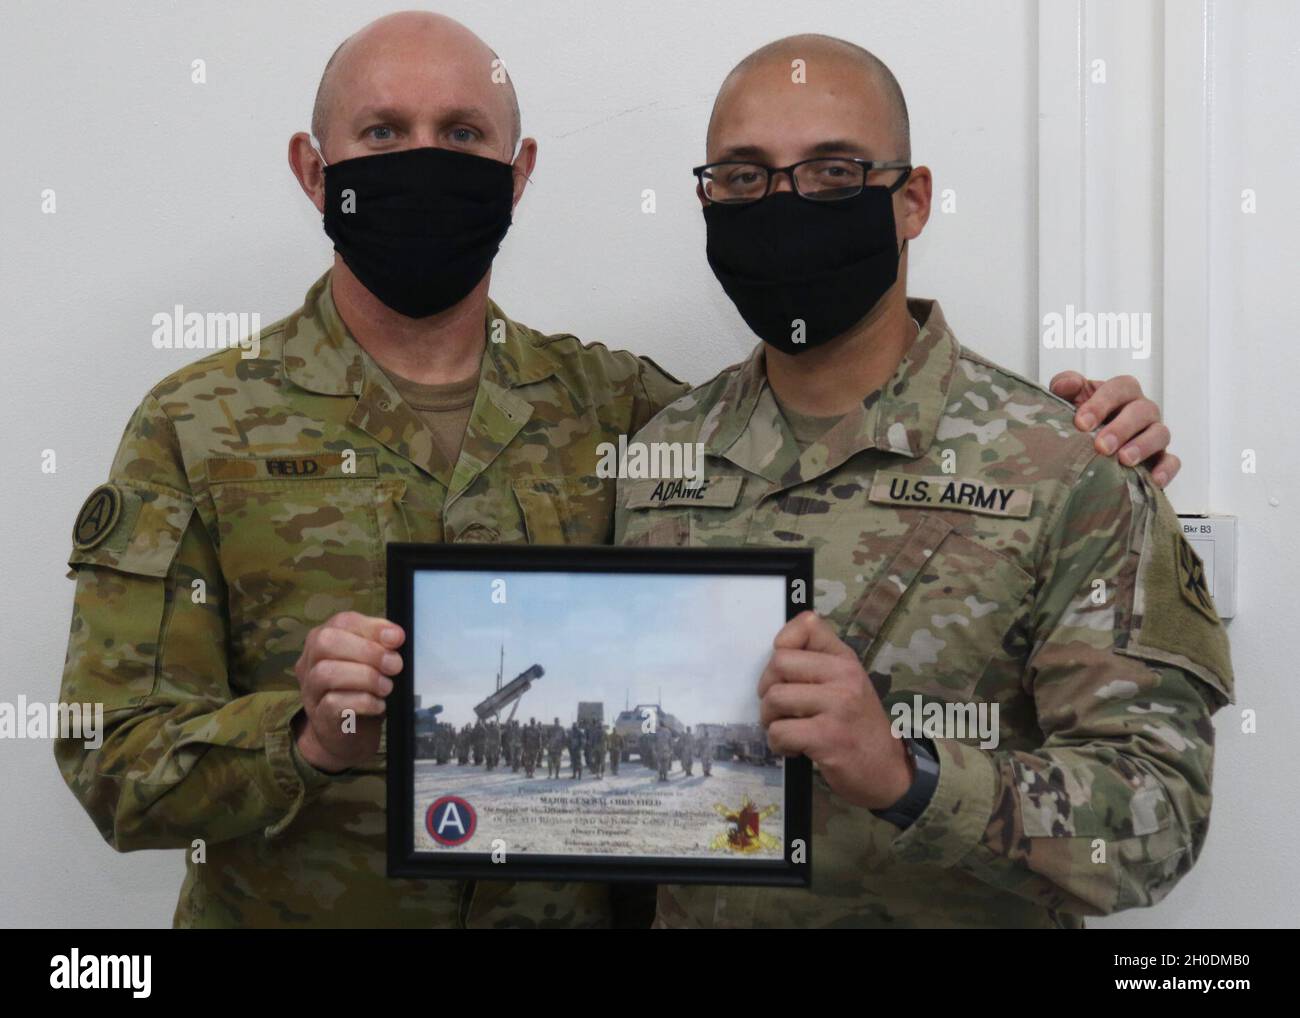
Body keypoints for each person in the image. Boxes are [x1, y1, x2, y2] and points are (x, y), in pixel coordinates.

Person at [53, 10, 1180, 930]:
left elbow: (830, 429)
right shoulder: (195, 427)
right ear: (315, 169)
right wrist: (296, 739)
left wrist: (1092, 436)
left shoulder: (634, 420)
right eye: (382, 136)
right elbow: (110, 762)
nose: (424, 162)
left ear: (517, 171)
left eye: (462, 134)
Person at [616, 34, 1232, 929]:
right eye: (744, 177)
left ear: (912, 201)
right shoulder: (660, 454)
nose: (783, 202)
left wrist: (911, 778)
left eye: (831, 172)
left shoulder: (1069, 467)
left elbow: (1158, 820)